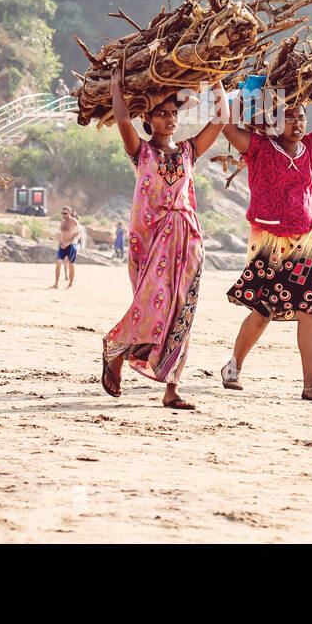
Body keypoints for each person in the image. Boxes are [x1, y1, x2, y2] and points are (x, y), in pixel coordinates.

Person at [101, 51, 227, 410]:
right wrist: (116, 84)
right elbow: (122, 119)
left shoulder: (188, 151)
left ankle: (171, 389)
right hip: (152, 240)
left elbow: (221, 119)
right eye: (162, 114)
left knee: (182, 312)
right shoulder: (140, 151)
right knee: (153, 308)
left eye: (174, 113)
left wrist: (214, 77)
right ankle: (116, 346)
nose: (170, 119)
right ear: (148, 119)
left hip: (188, 241)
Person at [219, 92, 312, 405]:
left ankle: (311, 385)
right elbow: (226, 125)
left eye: (301, 116)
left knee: (309, 309)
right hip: (268, 242)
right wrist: (243, 97)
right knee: (263, 310)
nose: (297, 123)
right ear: (273, 120)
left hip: (306, 242)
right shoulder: (259, 148)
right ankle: (233, 367)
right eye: (288, 116)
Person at [52, 208, 81, 288]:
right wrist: (60, 243)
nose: (63, 215)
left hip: (71, 245)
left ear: (69, 213)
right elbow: (62, 234)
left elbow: (78, 233)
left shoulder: (74, 221)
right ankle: (56, 284)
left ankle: (70, 284)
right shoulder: (62, 222)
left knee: (71, 264)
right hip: (62, 245)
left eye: (65, 213)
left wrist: (69, 242)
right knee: (58, 263)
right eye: (62, 213)